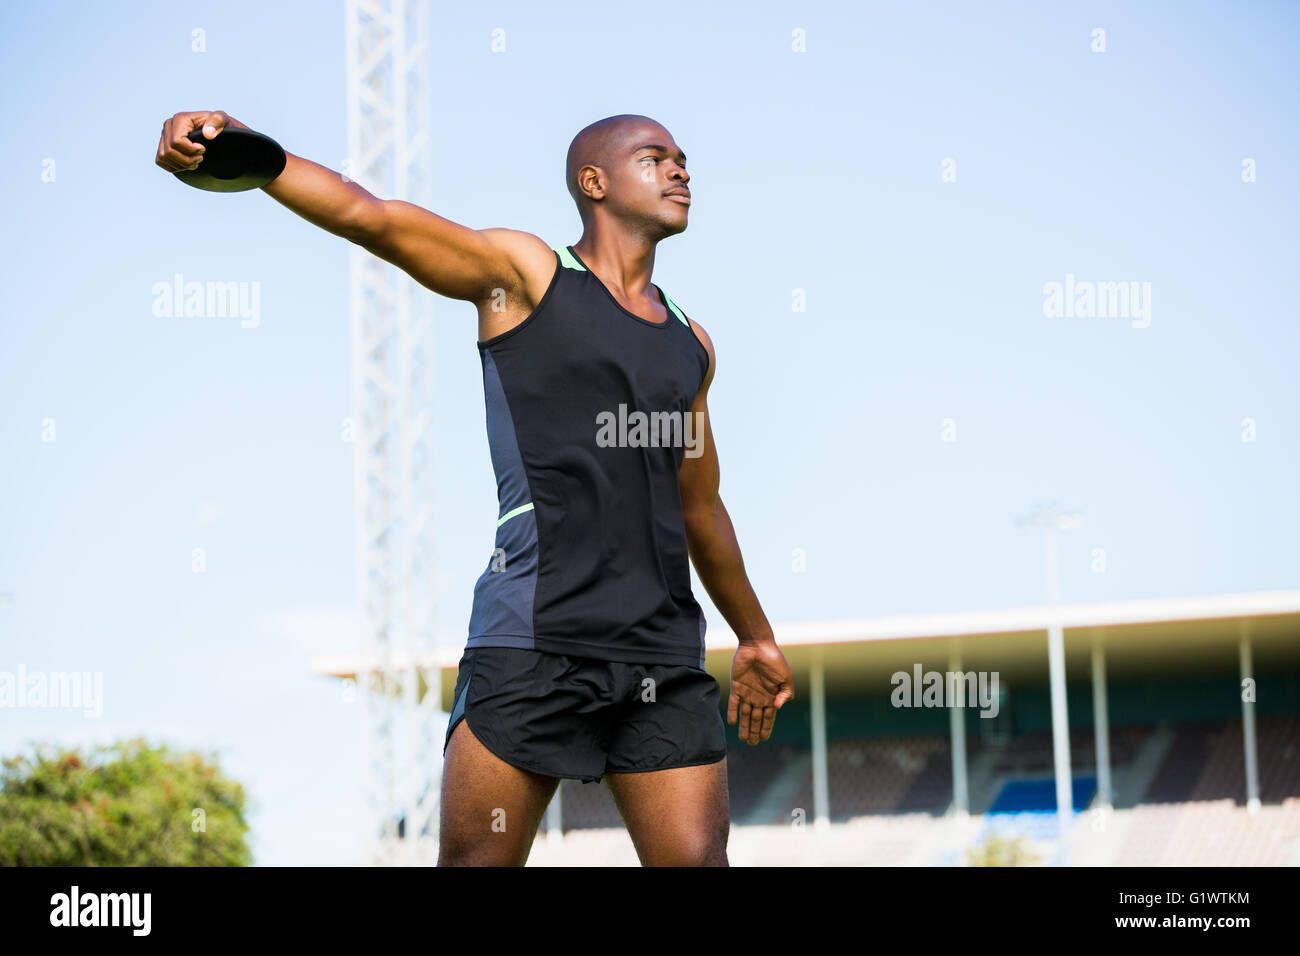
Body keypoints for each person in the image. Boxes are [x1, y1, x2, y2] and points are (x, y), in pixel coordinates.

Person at [155, 110, 795, 866]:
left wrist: (754, 635)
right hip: (533, 640)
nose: (681, 170)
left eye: (684, 158)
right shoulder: (525, 275)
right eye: (656, 158)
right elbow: (377, 219)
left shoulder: (692, 342)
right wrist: (253, 156)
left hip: (661, 652)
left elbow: (699, 505)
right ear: (594, 183)